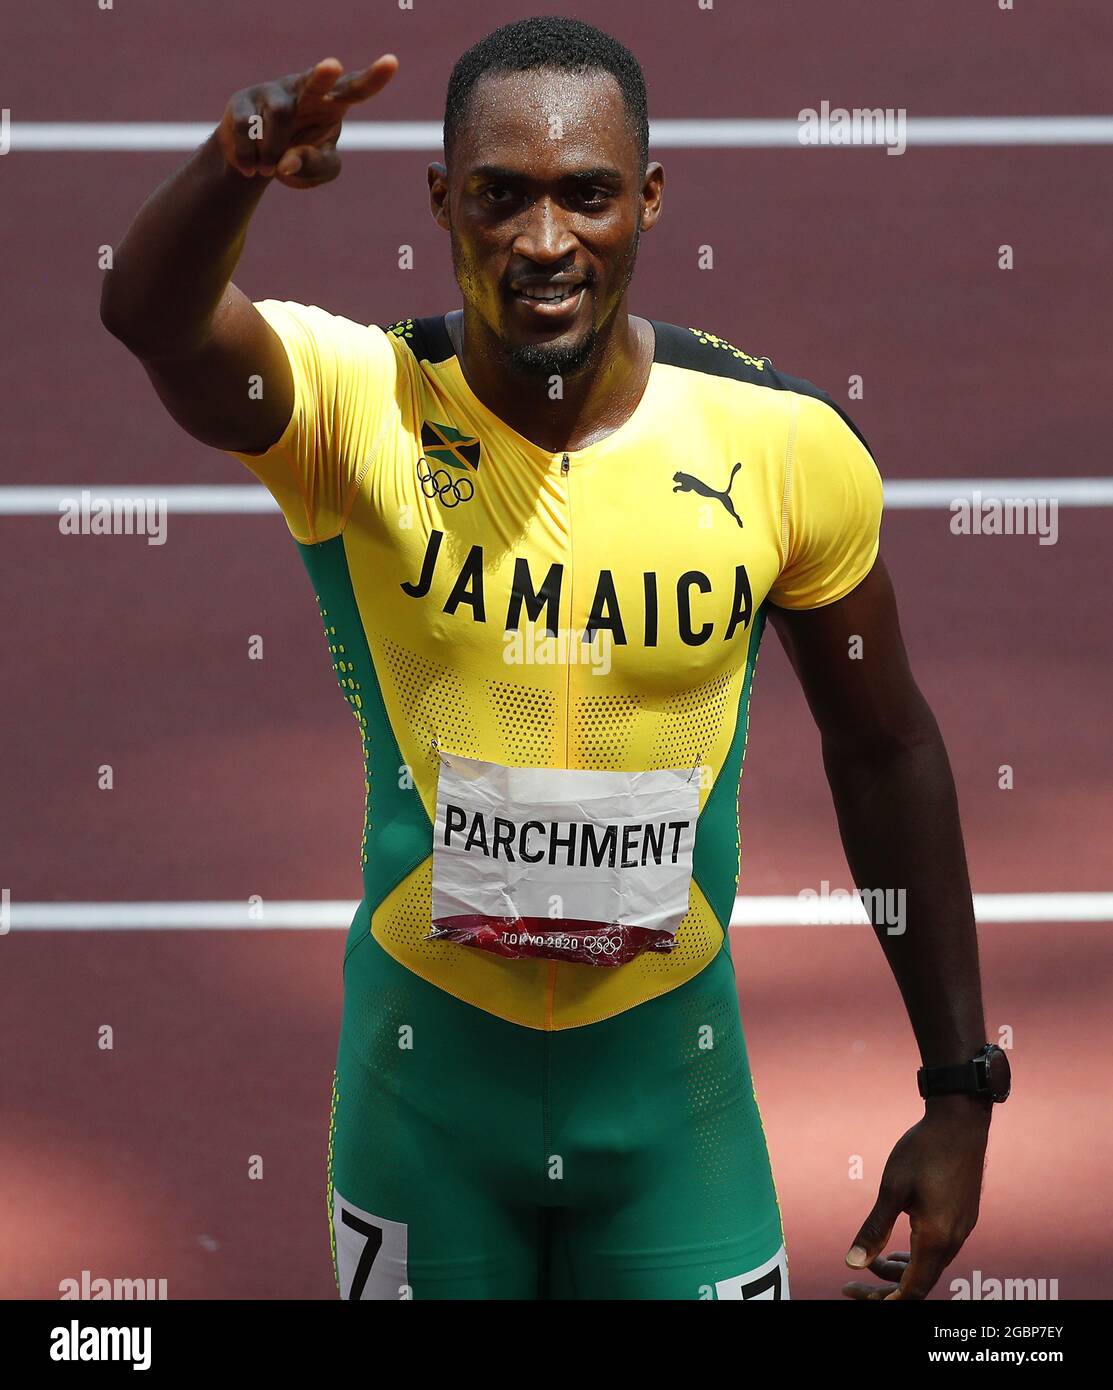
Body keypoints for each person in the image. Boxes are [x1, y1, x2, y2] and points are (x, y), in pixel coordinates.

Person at [100, 15, 1008, 1301]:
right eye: (500, 197)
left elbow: (888, 746)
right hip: (424, 1095)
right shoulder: (361, 405)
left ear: (647, 200)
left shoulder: (787, 447)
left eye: (586, 195)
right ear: (440, 203)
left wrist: (961, 1088)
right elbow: (151, 317)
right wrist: (230, 165)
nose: (543, 242)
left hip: (671, 1097)